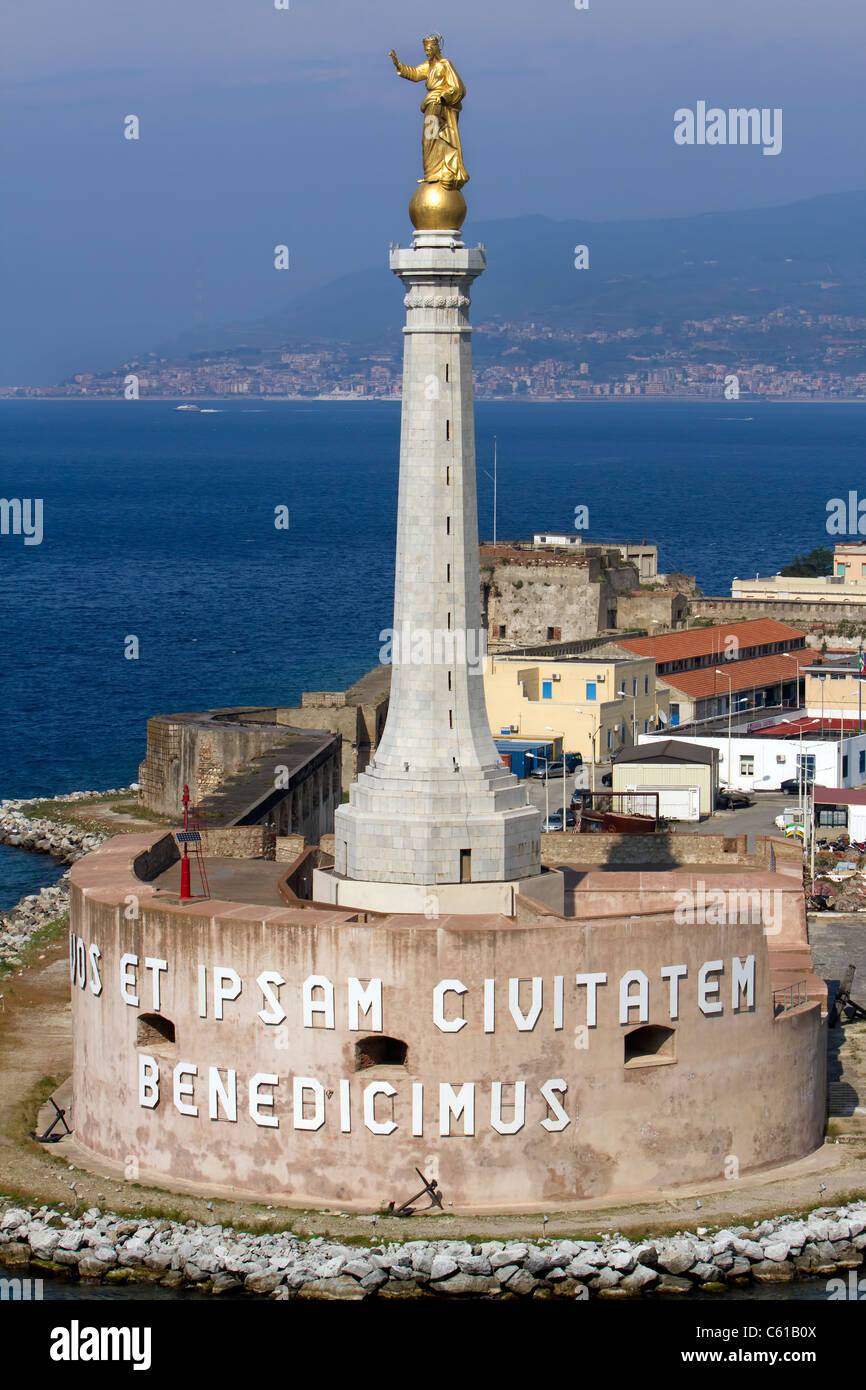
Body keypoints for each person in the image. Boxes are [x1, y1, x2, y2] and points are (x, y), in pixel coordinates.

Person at [389, 34, 469, 189]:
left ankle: (444, 170)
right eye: (425, 49)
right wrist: (398, 64)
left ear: (436, 48)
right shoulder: (428, 66)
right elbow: (415, 73)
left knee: (439, 137)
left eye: (430, 48)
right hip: (430, 105)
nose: (427, 52)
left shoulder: (445, 65)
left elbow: (458, 88)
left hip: (441, 106)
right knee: (428, 139)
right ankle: (432, 172)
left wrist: (444, 96)